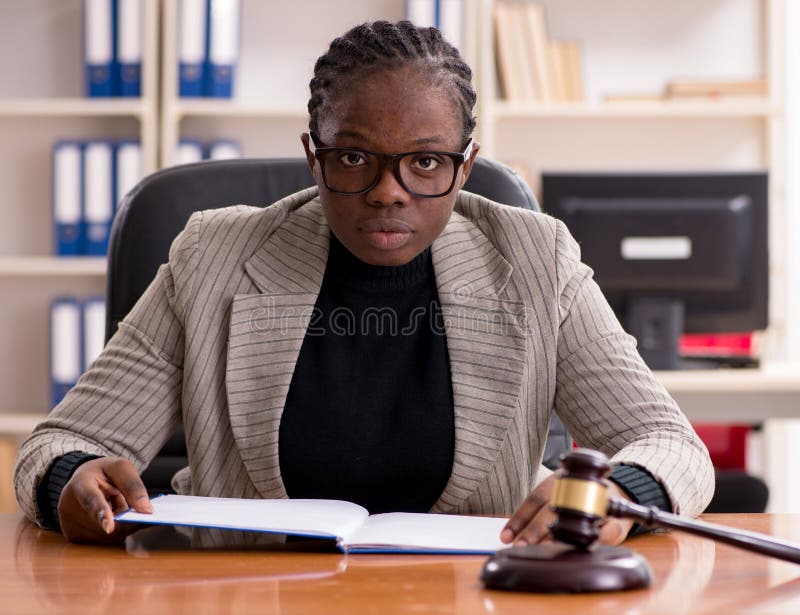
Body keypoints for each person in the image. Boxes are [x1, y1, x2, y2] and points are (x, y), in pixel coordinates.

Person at [14, 20, 713, 545]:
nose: (389, 192)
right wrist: (66, 478)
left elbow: (671, 444)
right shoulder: (213, 257)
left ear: (465, 166)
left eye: (426, 163)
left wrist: (619, 493)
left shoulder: (534, 259)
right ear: (313, 156)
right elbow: (56, 442)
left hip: (472, 596)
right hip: (245, 594)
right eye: (353, 157)